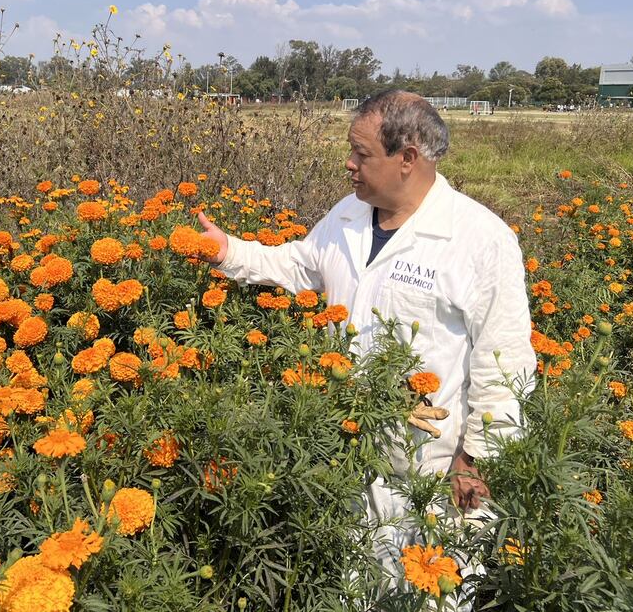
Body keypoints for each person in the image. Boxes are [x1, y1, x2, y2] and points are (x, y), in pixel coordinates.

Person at [196, 90, 535, 594]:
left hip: (432, 471)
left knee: (430, 595)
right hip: (348, 454)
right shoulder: (347, 216)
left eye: (361, 153)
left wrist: (477, 459)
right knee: (353, 587)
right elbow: (297, 264)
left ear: (408, 159)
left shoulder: (479, 239)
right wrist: (230, 252)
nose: (348, 164)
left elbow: (504, 359)